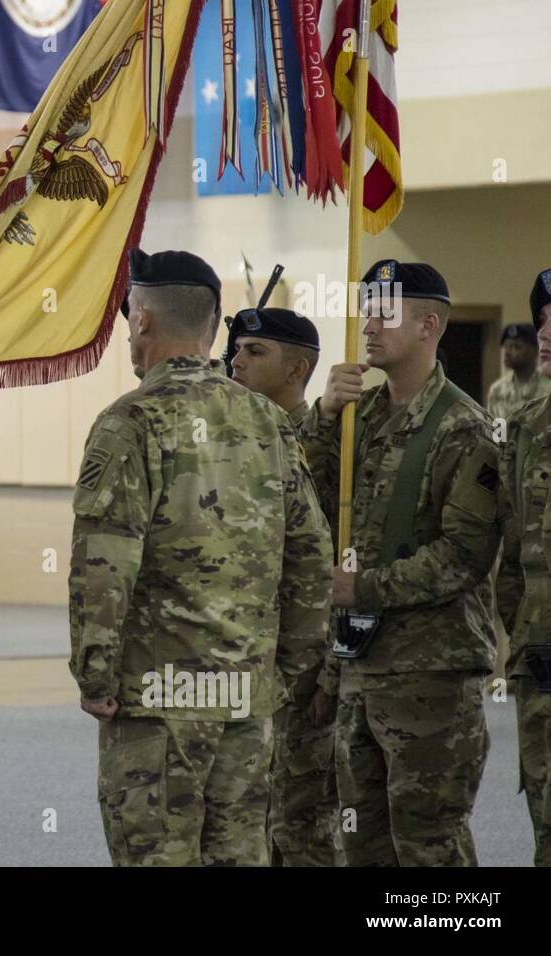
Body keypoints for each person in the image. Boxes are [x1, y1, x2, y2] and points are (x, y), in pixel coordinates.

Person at [70, 248, 332, 866]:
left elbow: (105, 563)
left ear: (142, 319)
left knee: (157, 853)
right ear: (214, 325)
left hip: (159, 700)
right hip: (246, 695)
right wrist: (286, 673)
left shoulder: (129, 422)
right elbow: (312, 556)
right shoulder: (268, 422)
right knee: (239, 854)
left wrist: (95, 673)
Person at [303, 259, 499, 866]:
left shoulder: (464, 429)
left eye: (384, 313)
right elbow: (307, 501)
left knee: (429, 846)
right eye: (367, 311)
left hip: (430, 673)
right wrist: (323, 418)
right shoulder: (361, 417)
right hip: (360, 664)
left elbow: (463, 556)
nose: (368, 325)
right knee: (363, 843)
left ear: (428, 325)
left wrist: (360, 589)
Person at [226, 307, 337, 866]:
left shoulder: (328, 444)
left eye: (254, 351)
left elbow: (326, 567)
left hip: (301, 666)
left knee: (303, 825)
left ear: (296, 369)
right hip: (246, 662)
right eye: (235, 350)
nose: (236, 361)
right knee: (251, 823)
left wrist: (324, 671)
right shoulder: (237, 440)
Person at [494, 265, 551, 866]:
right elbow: (512, 550)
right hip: (540, 659)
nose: (546, 333)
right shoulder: (527, 430)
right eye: (543, 320)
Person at [487, 323, 549, 425]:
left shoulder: (547, 388)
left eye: (516, 347)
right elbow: (494, 429)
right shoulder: (497, 390)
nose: (507, 352)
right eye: (506, 347)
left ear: (535, 351)